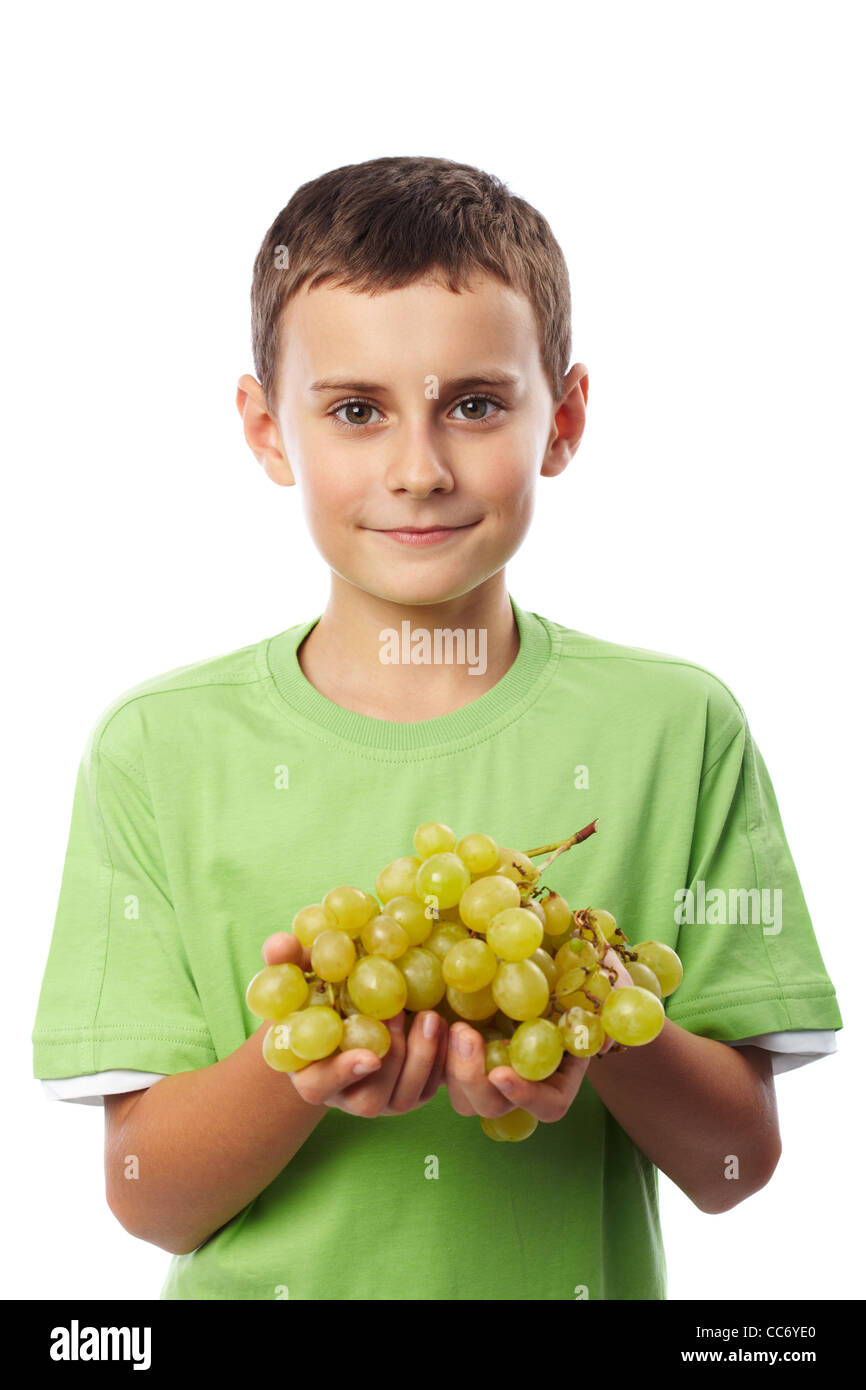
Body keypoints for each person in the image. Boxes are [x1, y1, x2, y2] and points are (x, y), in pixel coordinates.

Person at [31, 155, 842, 1301]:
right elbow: (146, 1197)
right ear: (268, 433)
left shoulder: (677, 726)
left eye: (473, 404)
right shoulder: (156, 747)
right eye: (356, 410)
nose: (417, 470)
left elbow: (733, 1167)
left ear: (559, 420)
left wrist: (592, 1014)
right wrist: (305, 1056)